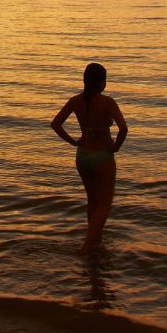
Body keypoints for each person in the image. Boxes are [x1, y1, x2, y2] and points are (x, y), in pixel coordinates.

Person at [51, 62, 128, 254]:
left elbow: (56, 124)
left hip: (82, 155)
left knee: (92, 201)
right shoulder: (107, 102)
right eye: (104, 80)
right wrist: (115, 148)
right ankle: (86, 247)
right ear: (101, 82)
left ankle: (95, 242)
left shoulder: (75, 101)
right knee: (104, 205)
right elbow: (123, 129)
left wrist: (73, 142)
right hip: (102, 156)